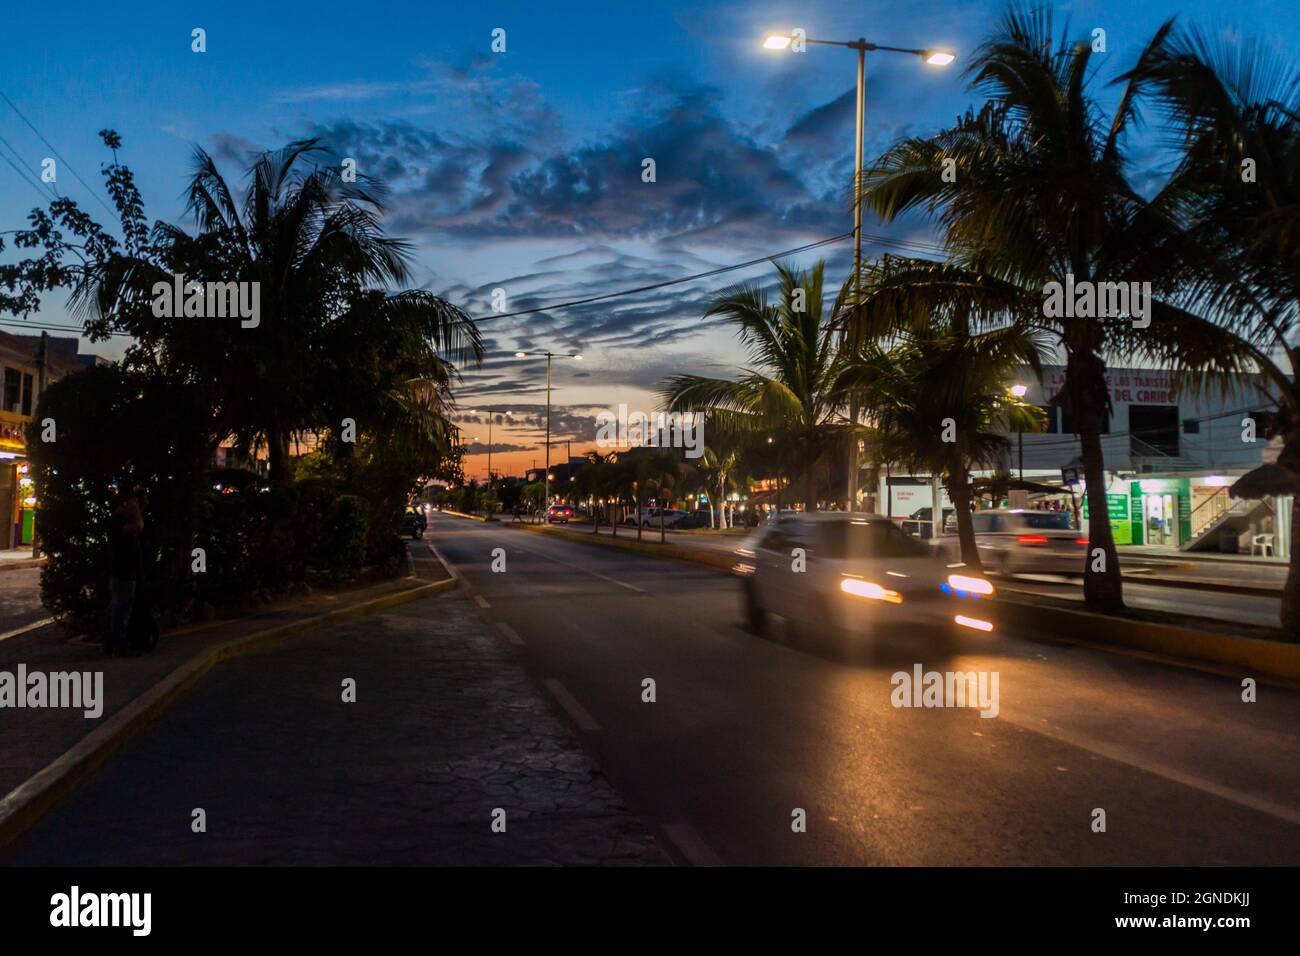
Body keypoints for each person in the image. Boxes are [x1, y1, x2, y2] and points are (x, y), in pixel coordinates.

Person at [106, 488, 145, 656]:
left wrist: (140, 507)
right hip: (122, 571)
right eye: (132, 503)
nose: (135, 506)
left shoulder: (122, 518)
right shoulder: (118, 520)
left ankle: (115, 643)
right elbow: (138, 526)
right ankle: (118, 646)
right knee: (121, 608)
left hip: (126, 571)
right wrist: (137, 511)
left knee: (120, 606)